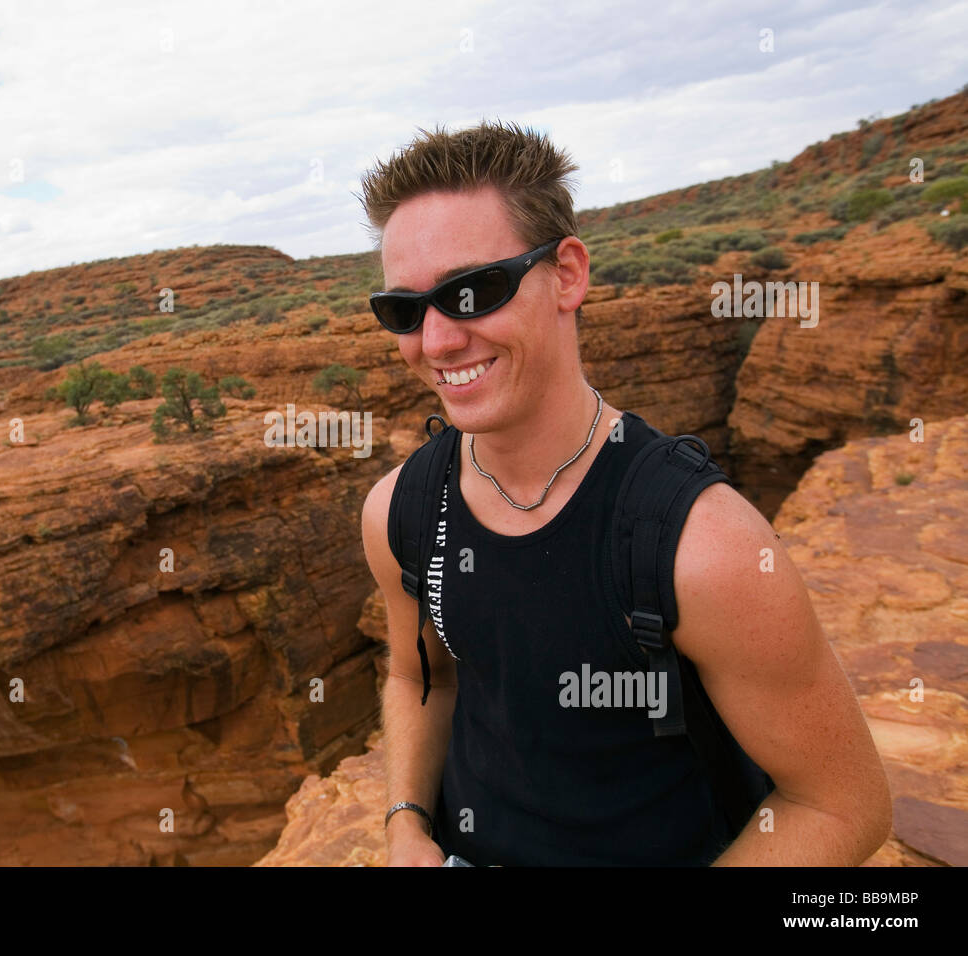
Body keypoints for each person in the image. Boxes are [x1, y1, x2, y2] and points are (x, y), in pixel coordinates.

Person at [357, 121, 892, 866]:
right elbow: (419, 676)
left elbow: (841, 804)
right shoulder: (400, 511)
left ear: (568, 275)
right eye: (405, 311)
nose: (438, 342)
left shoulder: (702, 546)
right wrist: (405, 823)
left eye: (473, 291)